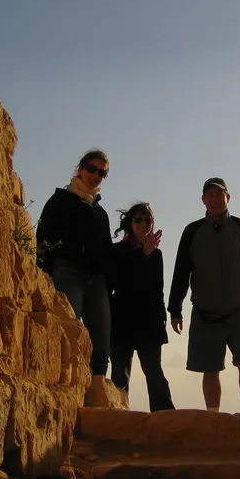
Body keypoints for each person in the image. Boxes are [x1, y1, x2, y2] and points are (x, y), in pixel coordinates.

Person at [168, 177, 240, 417]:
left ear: (228, 197)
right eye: (210, 195)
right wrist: (175, 308)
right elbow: (182, 270)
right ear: (203, 200)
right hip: (205, 312)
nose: (215, 200)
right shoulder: (192, 231)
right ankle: (214, 419)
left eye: (219, 195)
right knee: (210, 368)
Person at [36, 149, 114, 387]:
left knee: (101, 336)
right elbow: (43, 237)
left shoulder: (101, 213)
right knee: (68, 330)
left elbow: (107, 250)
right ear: (80, 169)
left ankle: (97, 386)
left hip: (96, 280)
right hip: (67, 273)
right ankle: (63, 383)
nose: (96, 175)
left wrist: (107, 281)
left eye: (102, 172)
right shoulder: (60, 200)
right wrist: (45, 274)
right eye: (92, 169)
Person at [108, 202, 176, 412]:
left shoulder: (157, 254)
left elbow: (158, 289)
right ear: (130, 223)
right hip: (122, 320)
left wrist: (163, 319)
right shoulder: (117, 250)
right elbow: (116, 281)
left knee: (154, 372)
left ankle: (165, 417)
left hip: (148, 322)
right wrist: (141, 254)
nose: (144, 224)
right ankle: (119, 418)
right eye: (139, 219)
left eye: (148, 220)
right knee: (120, 374)